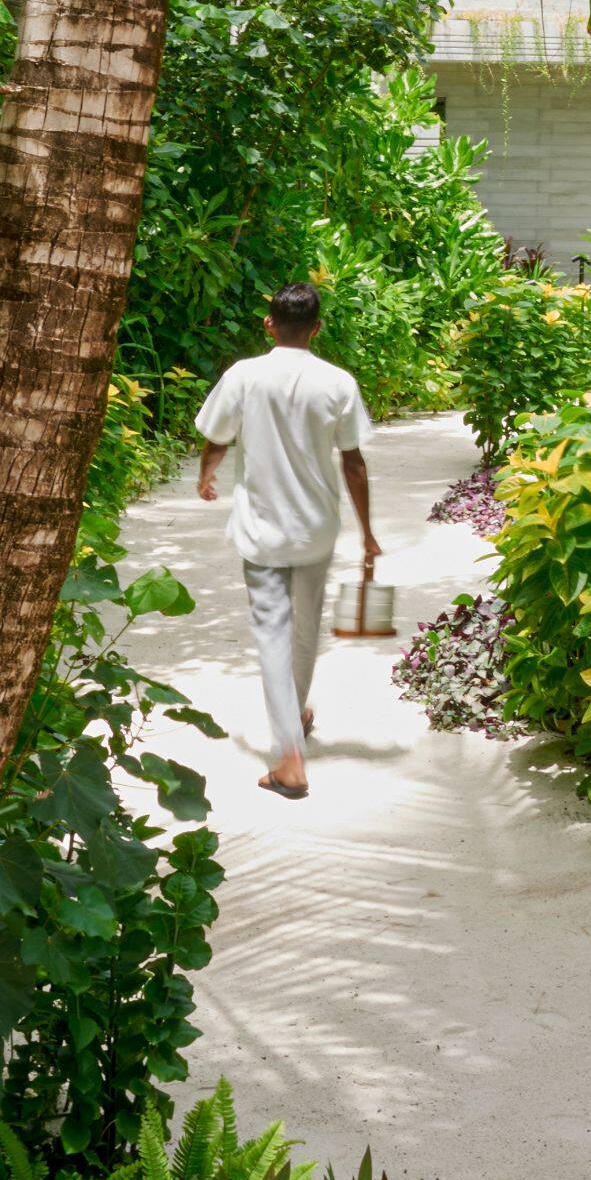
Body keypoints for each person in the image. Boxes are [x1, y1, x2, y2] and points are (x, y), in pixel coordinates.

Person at [194, 282, 379, 799]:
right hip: (316, 529)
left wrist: (206, 476)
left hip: (262, 529)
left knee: (273, 632)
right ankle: (294, 718)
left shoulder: (244, 375)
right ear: (316, 329)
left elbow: (216, 438)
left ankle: (291, 758)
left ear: (269, 324)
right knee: (304, 630)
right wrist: (368, 533)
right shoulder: (338, 382)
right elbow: (354, 462)